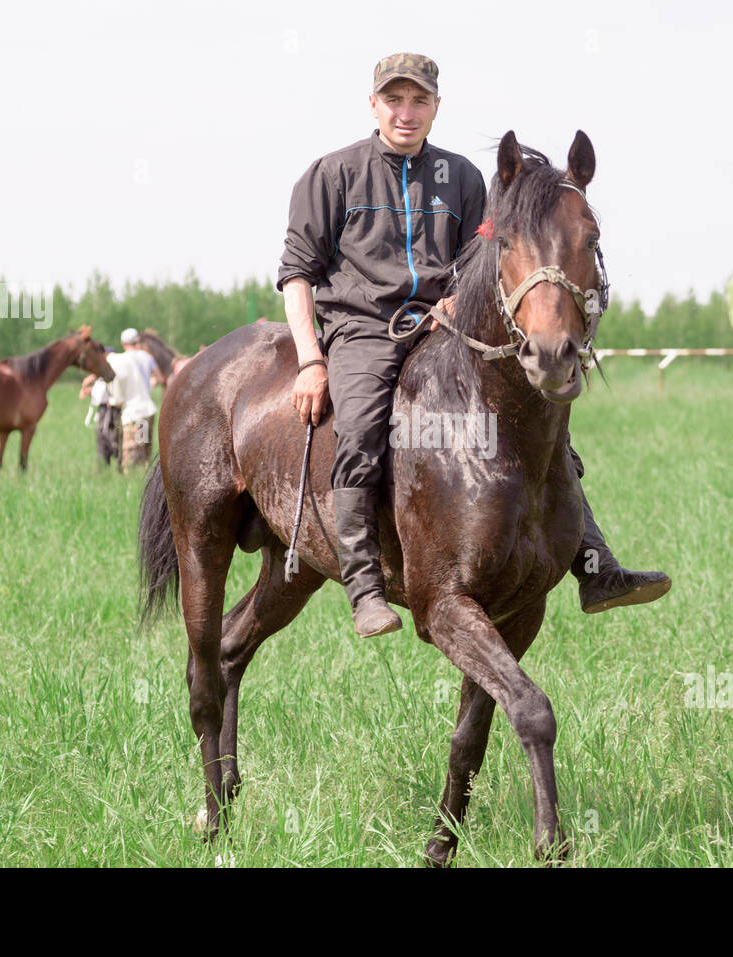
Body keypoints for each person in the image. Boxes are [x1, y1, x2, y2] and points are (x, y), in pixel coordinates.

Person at [278, 52, 671, 638]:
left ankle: (595, 565)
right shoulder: (332, 174)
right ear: (374, 104)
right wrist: (311, 359)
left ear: (436, 107)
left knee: (537, 423)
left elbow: (484, 262)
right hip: (360, 331)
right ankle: (364, 588)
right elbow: (296, 274)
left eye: (419, 101)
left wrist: (459, 302)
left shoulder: (461, 177)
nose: (406, 112)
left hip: (443, 327)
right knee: (359, 431)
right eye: (395, 100)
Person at [106, 329, 159, 473]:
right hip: (148, 409)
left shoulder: (119, 359)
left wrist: (115, 399)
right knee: (145, 453)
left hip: (134, 413)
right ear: (137, 341)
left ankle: (131, 485)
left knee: (132, 456)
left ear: (123, 343)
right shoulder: (147, 357)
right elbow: (158, 377)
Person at [80, 347, 121, 467]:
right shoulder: (101, 375)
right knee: (103, 437)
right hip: (103, 409)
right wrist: (88, 386)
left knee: (111, 437)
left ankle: (117, 463)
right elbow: (89, 392)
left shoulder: (111, 371)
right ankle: (104, 464)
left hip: (111, 409)